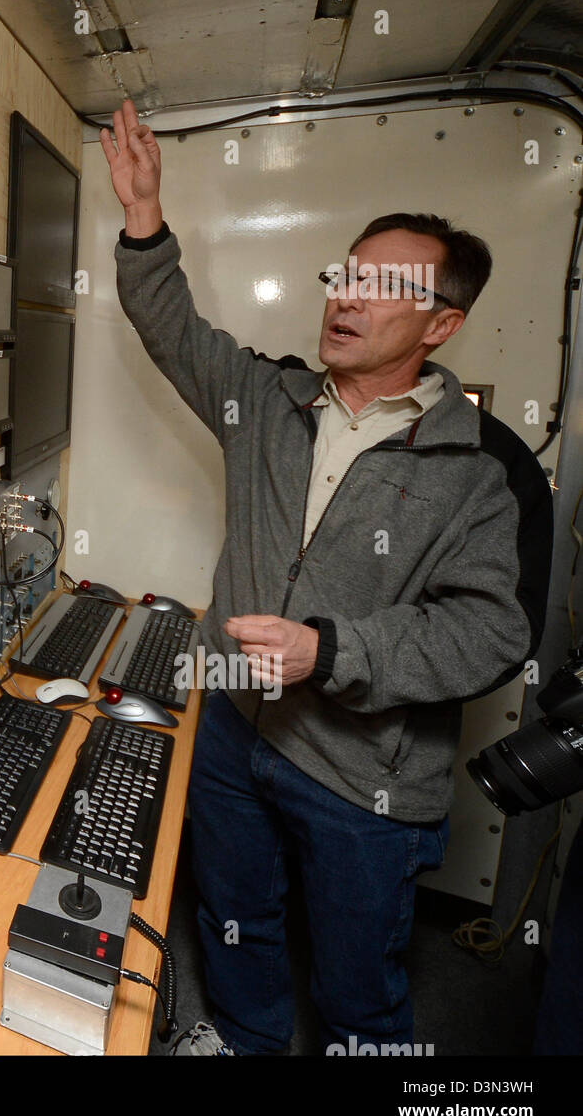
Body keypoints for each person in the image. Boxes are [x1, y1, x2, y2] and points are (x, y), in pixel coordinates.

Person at [100, 98, 553, 1055]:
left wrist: (333, 650)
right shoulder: (270, 400)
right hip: (233, 731)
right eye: (345, 275)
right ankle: (246, 1042)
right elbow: (171, 325)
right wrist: (143, 216)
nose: (346, 297)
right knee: (237, 928)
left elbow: (492, 634)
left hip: (365, 782)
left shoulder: (485, 467)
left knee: (358, 992)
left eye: (381, 285)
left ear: (442, 323)